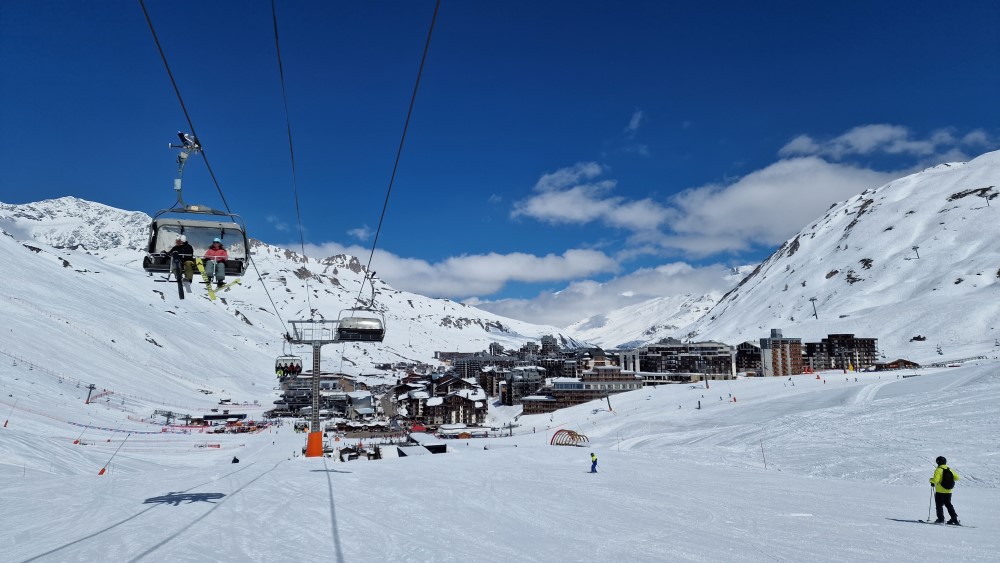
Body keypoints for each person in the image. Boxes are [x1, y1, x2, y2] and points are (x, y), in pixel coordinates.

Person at [929, 455, 960, 524]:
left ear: (938, 462)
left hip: (940, 491)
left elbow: (935, 480)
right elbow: (957, 478)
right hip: (949, 490)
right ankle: (954, 518)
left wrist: (930, 480)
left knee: (939, 505)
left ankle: (941, 519)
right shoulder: (949, 469)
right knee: (948, 504)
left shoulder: (938, 470)